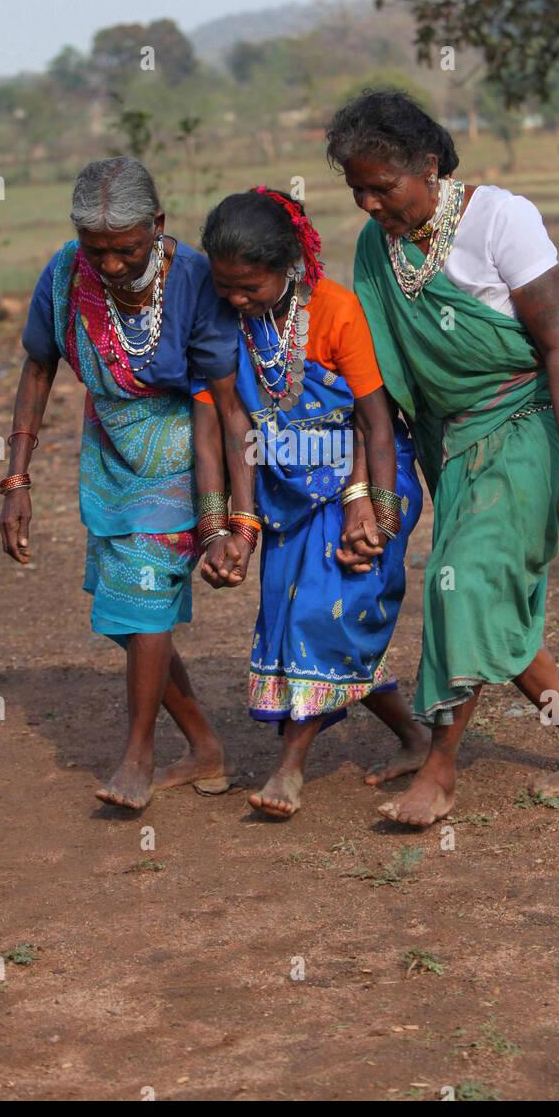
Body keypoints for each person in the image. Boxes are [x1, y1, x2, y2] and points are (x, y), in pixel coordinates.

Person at [325, 89, 559, 827]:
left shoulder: (501, 219)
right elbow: (378, 386)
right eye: (356, 188)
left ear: (428, 165)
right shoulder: (376, 249)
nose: (368, 203)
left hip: (531, 423)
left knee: (462, 586)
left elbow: (557, 346)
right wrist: (366, 490)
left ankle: (440, 770)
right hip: (450, 440)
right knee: (483, 591)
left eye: (381, 186)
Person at [0, 156, 249, 810]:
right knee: (130, 619)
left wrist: (225, 517)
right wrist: (16, 478)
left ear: (157, 225)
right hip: (107, 456)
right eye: (96, 249)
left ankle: (138, 756)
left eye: (127, 249)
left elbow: (221, 403)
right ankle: (204, 747)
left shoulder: (195, 279)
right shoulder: (63, 276)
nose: (109, 265)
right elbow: (38, 366)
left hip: (184, 455)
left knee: (143, 600)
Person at [195, 187, 427, 818]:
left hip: (369, 476)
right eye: (226, 287)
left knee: (323, 618)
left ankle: (290, 769)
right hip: (287, 490)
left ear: (290, 263)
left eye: (251, 287)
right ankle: (414, 736)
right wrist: (234, 528)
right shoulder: (220, 320)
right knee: (303, 619)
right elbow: (230, 426)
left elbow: (373, 421)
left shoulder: (335, 310)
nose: (237, 299)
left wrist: (363, 505)